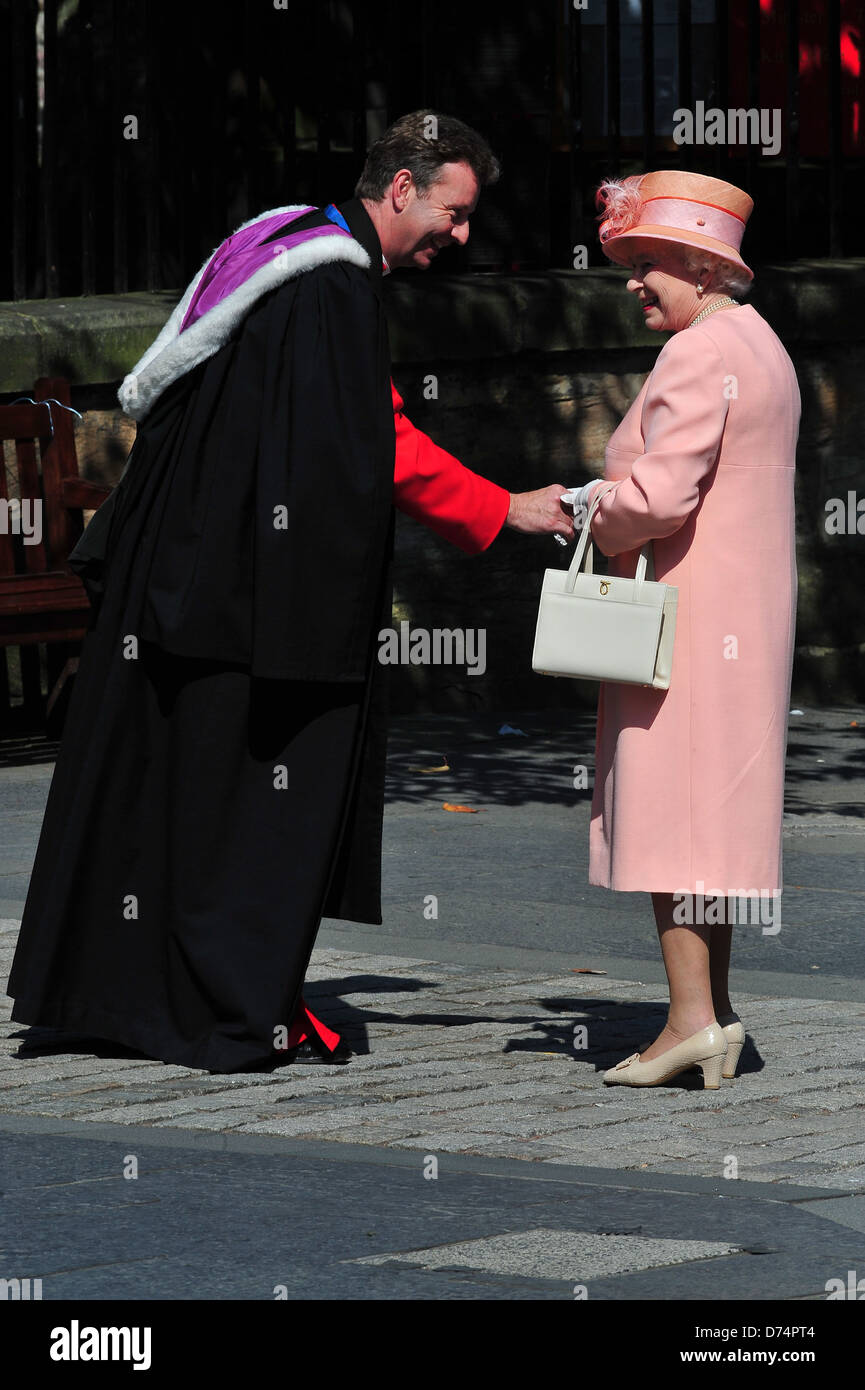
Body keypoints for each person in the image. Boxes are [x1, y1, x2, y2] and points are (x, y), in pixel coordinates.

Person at [7, 111, 574, 1073]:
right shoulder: (332, 289)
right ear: (402, 189)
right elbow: (371, 443)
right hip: (243, 594)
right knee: (244, 785)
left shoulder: (276, 242)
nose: (463, 236)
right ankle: (224, 1001)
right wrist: (504, 511)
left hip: (180, 565)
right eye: (455, 210)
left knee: (162, 776)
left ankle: (117, 993)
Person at [570, 170, 799, 1089]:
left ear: (704, 270)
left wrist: (595, 504)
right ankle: (711, 1013)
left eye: (649, 263)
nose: (631, 279)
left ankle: (690, 1021)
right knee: (709, 822)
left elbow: (658, 498)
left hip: (685, 618)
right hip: (736, 618)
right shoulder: (761, 342)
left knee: (674, 820)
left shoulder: (697, 353)